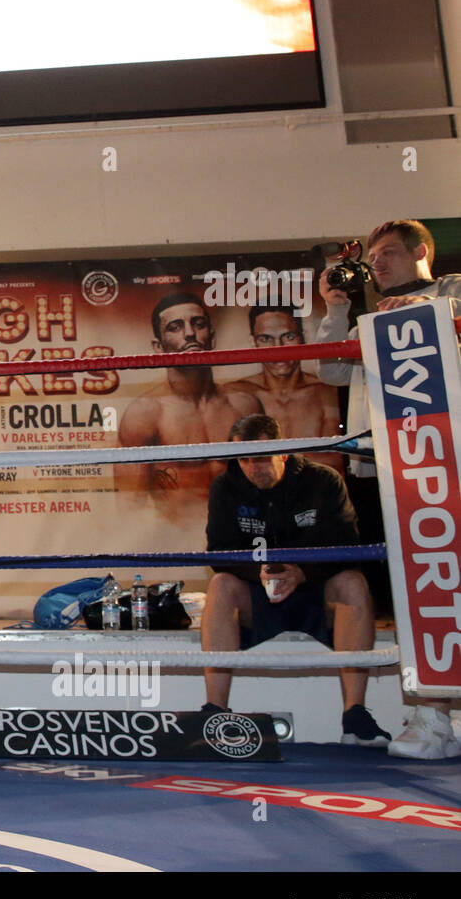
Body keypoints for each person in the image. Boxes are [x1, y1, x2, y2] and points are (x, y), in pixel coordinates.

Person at [316, 219, 461, 759]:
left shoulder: (452, 291)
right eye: (372, 257)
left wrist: (426, 316)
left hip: (447, 464)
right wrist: (336, 307)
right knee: (413, 587)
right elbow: (329, 371)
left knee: (448, 579)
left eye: (390, 253)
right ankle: (433, 716)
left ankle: (436, 714)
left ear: (422, 252)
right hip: (385, 467)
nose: (377, 264)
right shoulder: (366, 320)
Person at [201, 413, 390, 745]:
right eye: (244, 458)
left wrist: (303, 572)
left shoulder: (323, 481)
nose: (252, 467)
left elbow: (348, 544)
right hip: (260, 596)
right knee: (221, 586)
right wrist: (258, 571)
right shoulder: (226, 486)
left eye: (261, 458)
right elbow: (219, 552)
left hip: (317, 594)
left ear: (284, 452)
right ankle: (214, 713)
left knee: (352, 582)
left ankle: (355, 715)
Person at [117, 292, 262, 521]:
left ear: (211, 338)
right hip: (179, 539)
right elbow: (130, 507)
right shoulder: (145, 413)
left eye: (198, 324)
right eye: (175, 327)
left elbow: (266, 484)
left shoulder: (244, 405)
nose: (190, 334)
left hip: (237, 538)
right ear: (158, 347)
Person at [223, 303, 342, 473]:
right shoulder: (237, 393)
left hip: (315, 491)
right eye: (266, 339)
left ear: (303, 337)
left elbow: (335, 460)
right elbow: (232, 462)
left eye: (288, 336)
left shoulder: (324, 392)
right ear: (253, 342)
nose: (277, 347)